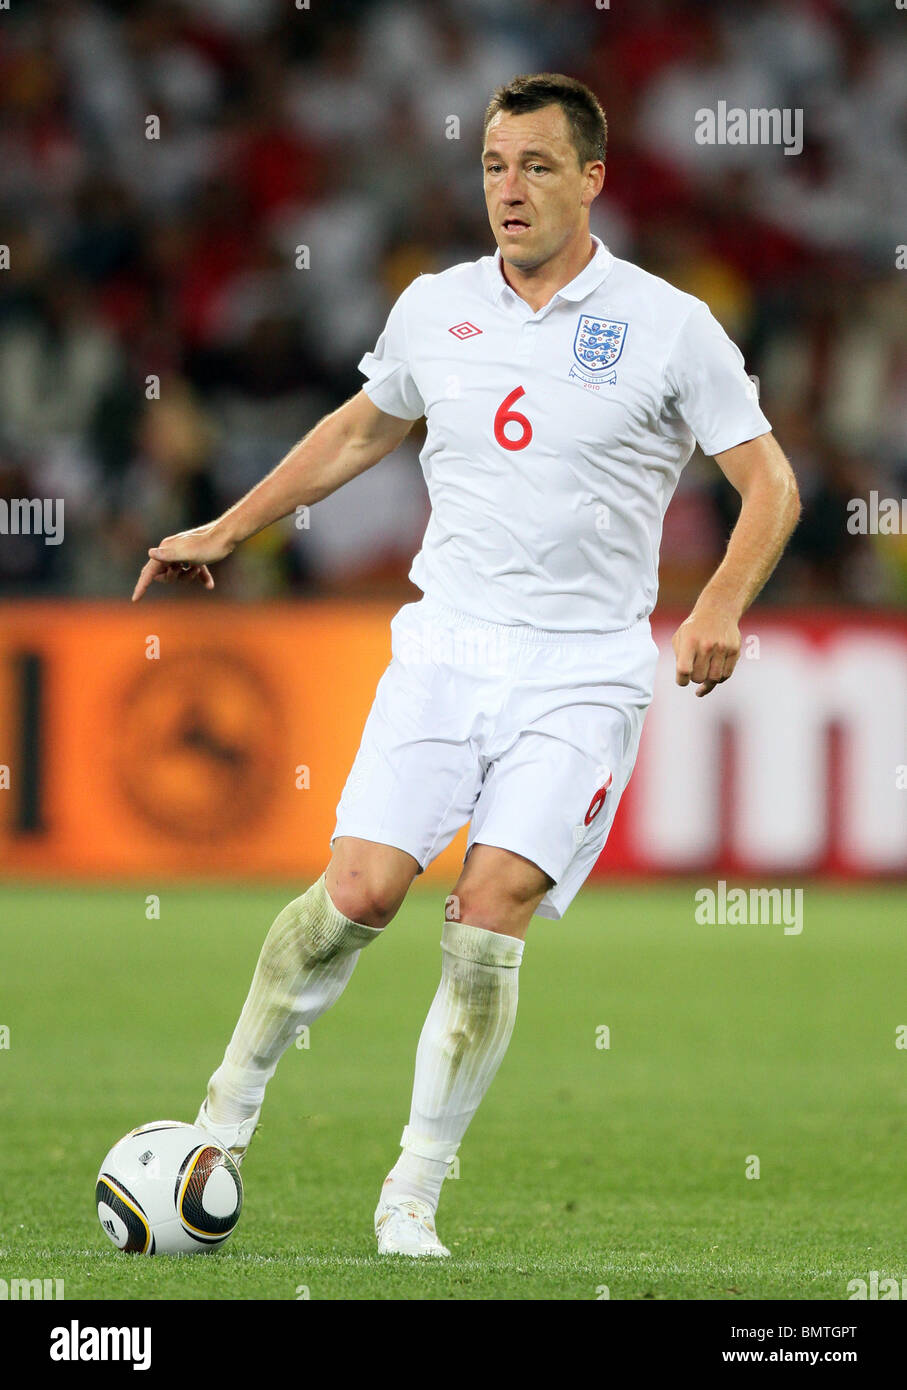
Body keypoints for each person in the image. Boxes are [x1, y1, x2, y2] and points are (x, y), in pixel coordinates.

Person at [132, 73, 801, 1257]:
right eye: (494, 164)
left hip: (582, 671)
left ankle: (411, 1195)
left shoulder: (669, 323)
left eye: (538, 166)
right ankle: (219, 1123)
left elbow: (770, 482)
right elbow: (358, 427)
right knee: (358, 895)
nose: (510, 188)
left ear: (593, 179)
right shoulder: (434, 307)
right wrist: (227, 529)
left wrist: (720, 604)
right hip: (443, 651)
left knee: (489, 909)